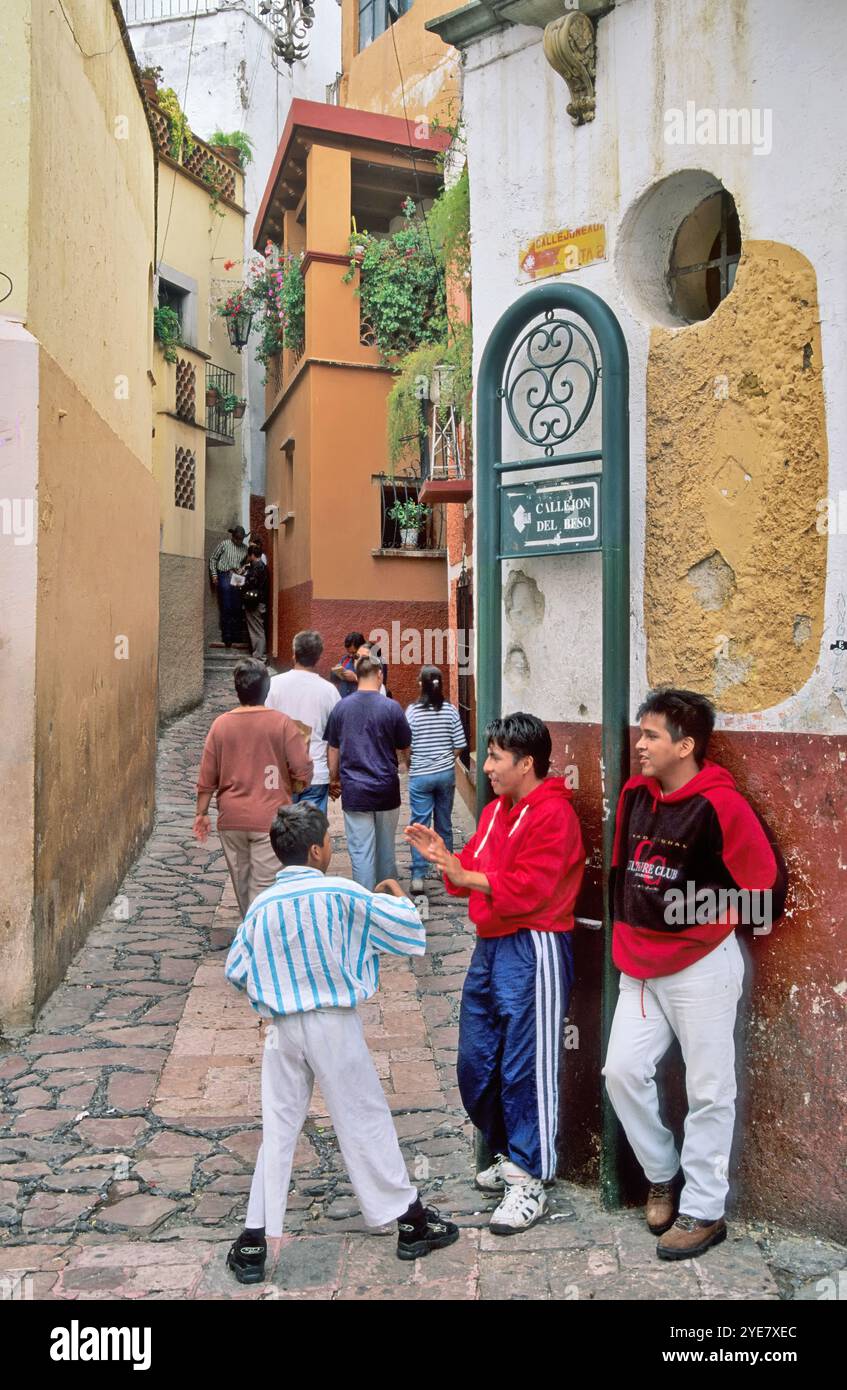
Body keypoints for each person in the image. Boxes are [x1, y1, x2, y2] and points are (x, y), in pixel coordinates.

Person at [223, 802, 459, 1281]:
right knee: (363, 1117)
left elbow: (238, 970)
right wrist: (394, 892)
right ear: (315, 849)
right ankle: (411, 1222)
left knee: (279, 1128)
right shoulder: (342, 894)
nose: (333, 848)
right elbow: (405, 931)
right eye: (330, 841)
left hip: (283, 1029)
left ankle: (252, 1242)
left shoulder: (261, 907)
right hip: (334, 1025)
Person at [602, 688, 786, 1262]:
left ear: (685, 745)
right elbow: (618, 873)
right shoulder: (636, 795)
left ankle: (704, 1211)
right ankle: (663, 1173)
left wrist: (691, 916)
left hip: (702, 967)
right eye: (641, 732)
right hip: (638, 967)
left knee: (710, 1091)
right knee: (621, 1072)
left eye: (652, 735)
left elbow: (767, 892)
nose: (641, 744)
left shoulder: (720, 805)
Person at [406, 713, 585, 1235]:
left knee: (526, 1065)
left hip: (536, 944)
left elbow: (531, 887)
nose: (485, 768)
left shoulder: (553, 815)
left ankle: (531, 1175)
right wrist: (448, 861)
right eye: (486, 756)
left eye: (495, 759)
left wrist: (463, 872)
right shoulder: (494, 812)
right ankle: (510, 1153)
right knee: (476, 1060)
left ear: (526, 764)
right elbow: (473, 873)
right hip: (491, 945)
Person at [194, 658, 313, 917]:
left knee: (242, 885)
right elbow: (302, 768)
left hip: (231, 817)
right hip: (270, 817)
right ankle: (259, 939)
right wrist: (301, 780)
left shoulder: (220, 725)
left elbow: (207, 774)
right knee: (263, 887)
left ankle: (250, 933)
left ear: (237, 690)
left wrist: (201, 813)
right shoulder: (282, 724)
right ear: (266, 689)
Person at [324, 654, 411, 891]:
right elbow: (404, 745)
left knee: (361, 851)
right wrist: (408, 766)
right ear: (380, 674)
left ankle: (364, 903)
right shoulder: (391, 707)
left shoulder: (341, 707)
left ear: (357, 676)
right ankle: (386, 902)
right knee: (386, 850)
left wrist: (333, 779)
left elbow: (333, 747)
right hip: (386, 788)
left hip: (355, 789)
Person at [405, 665, 467, 893]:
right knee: (444, 824)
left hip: (420, 774)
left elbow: (407, 744)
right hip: (445, 774)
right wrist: (447, 759)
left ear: (421, 684)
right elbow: (460, 744)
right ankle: (446, 870)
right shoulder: (450, 710)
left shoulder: (412, 711)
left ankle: (418, 876)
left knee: (419, 825)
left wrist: (411, 762)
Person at [265, 630, 340, 815]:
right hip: (316, 773)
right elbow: (336, 740)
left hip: (280, 772)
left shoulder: (273, 685)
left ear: (294, 654)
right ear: (319, 657)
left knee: (281, 833)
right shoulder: (329, 691)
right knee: (311, 836)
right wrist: (334, 777)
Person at [209, 524, 248, 647]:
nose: (239, 540)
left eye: (241, 538)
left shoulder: (245, 548)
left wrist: (242, 571)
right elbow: (213, 559)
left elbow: (247, 564)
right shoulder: (224, 544)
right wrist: (214, 575)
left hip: (237, 576)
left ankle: (236, 635)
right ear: (233, 536)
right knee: (226, 606)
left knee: (237, 607)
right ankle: (227, 636)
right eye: (237, 538)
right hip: (225, 574)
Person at [239, 543, 269, 662]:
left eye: (249, 555)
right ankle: (259, 654)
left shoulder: (257, 567)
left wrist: (241, 582)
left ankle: (259, 656)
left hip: (254, 603)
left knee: (257, 630)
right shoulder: (261, 566)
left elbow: (252, 583)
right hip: (258, 602)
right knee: (257, 629)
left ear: (251, 555)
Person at [330, 631, 365, 698]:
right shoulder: (345, 659)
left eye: (353, 652)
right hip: (343, 701)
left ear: (362, 648)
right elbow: (334, 679)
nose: (350, 655)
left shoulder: (370, 662)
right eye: (348, 652)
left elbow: (377, 684)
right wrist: (335, 672)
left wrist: (355, 678)